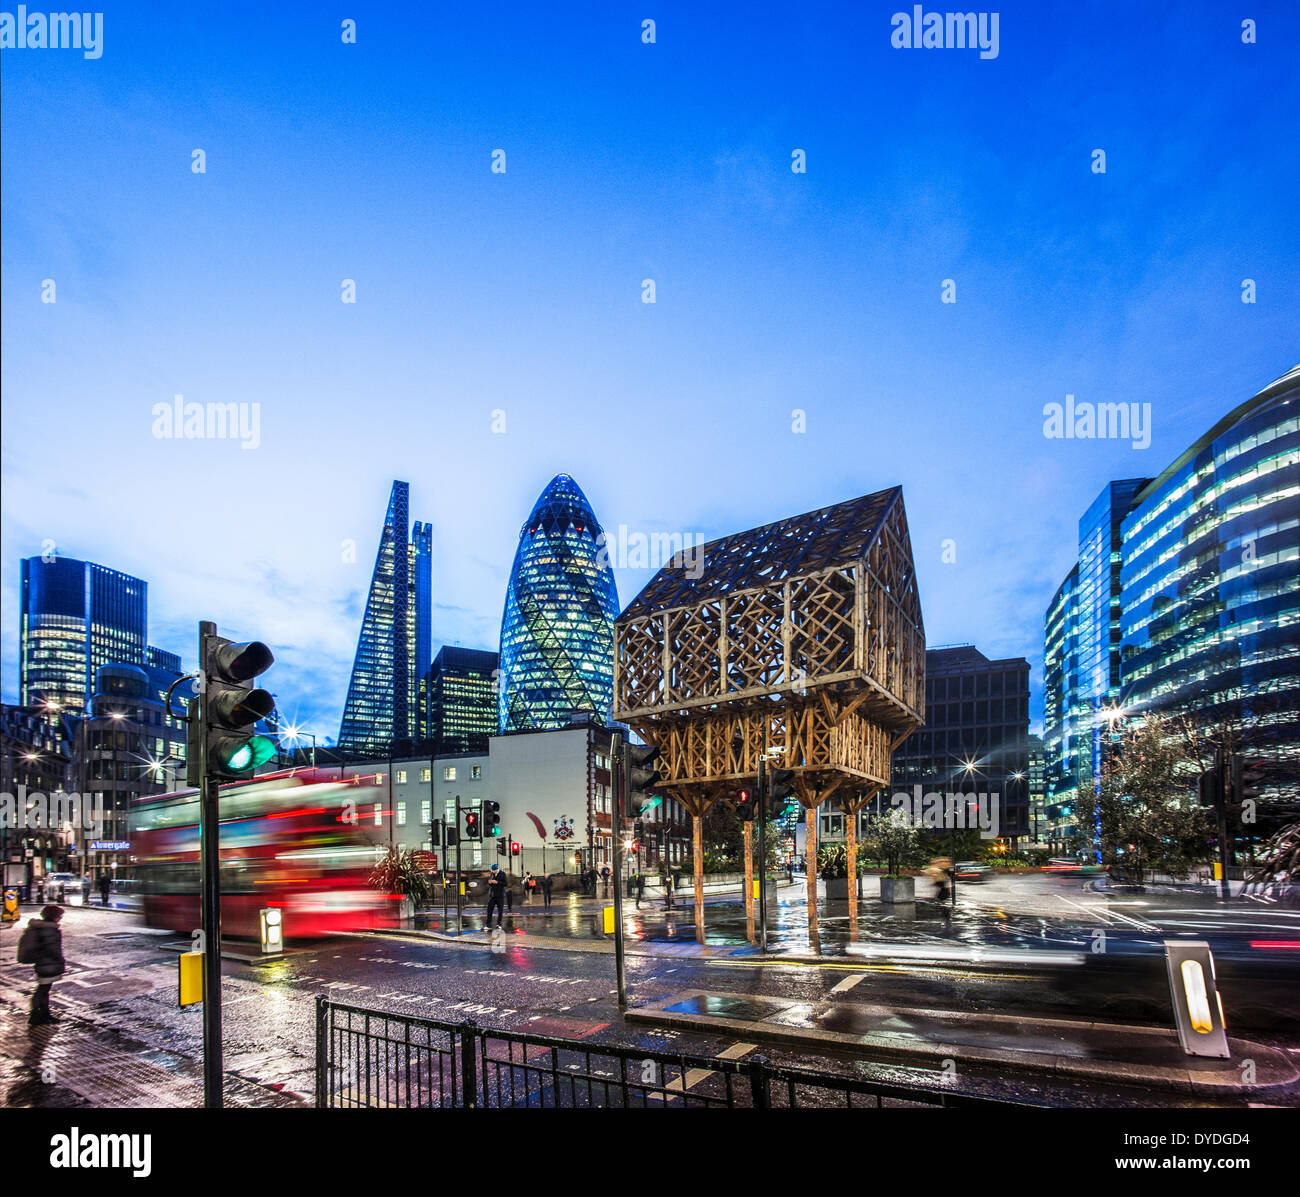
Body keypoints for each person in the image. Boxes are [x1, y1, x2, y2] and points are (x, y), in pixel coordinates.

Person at [23, 905, 66, 1025]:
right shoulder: (49, 930)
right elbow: (53, 949)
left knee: (44, 989)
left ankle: (44, 1014)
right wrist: (59, 961)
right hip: (48, 963)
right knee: (42, 990)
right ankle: (36, 1015)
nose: (60, 918)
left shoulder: (41, 927)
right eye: (59, 915)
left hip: (43, 963)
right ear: (55, 916)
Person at [484, 863, 507, 929]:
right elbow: (491, 885)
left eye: (494, 870)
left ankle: (499, 924)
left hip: (500, 895)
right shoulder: (492, 874)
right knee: (489, 910)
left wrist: (497, 882)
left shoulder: (502, 874)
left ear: (497, 869)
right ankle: (488, 924)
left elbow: (505, 883)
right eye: (492, 870)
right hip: (492, 895)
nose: (493, 872)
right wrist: (490, 883)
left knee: (500, 910)